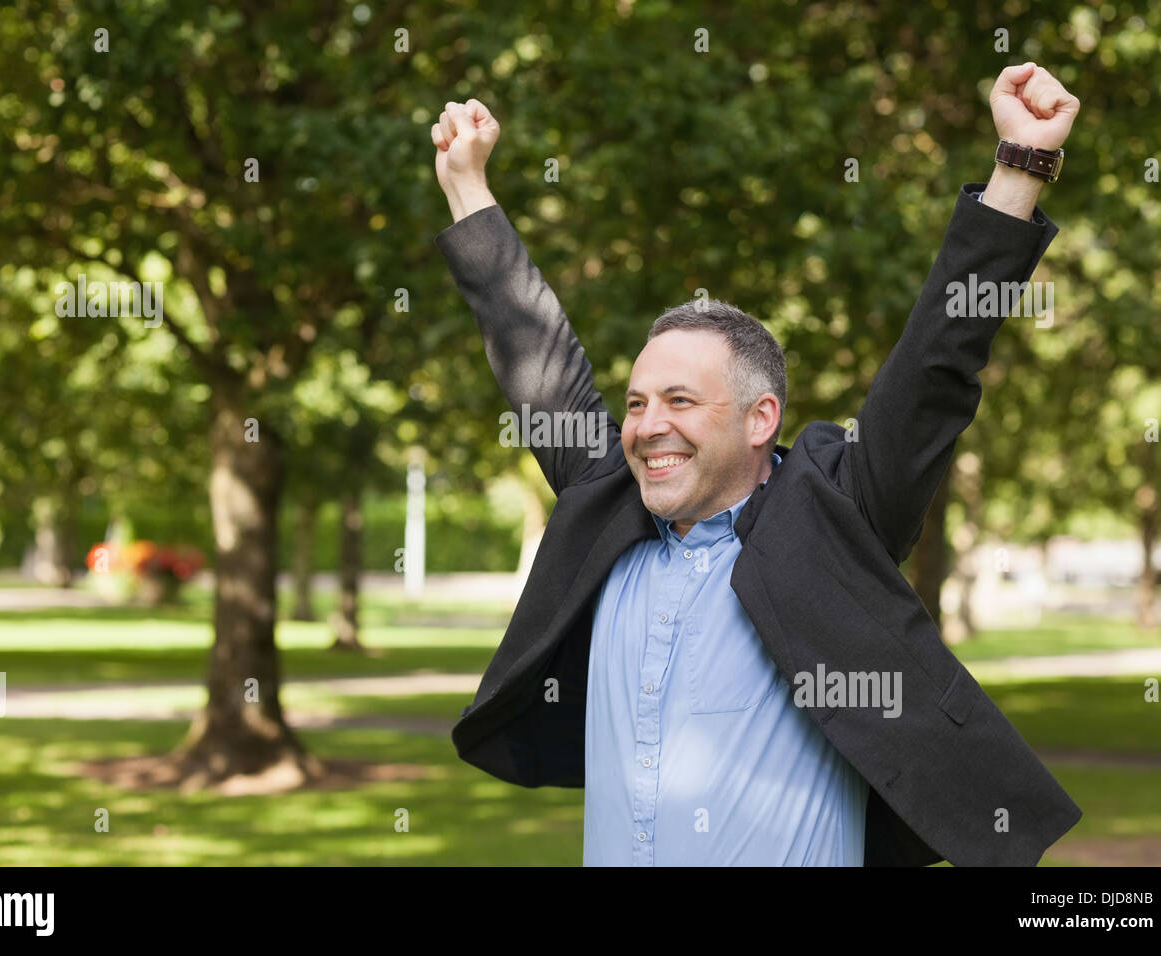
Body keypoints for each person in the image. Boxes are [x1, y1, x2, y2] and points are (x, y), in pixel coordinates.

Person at [430, 63, 1082, 866]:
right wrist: (466, 185)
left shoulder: (837, 515)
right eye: (636, 403)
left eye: (679, 401)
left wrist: (1020, 166)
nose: (648, 426)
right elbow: (534, 352)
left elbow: (937, 365)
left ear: (759, 419)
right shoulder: (608, 507)